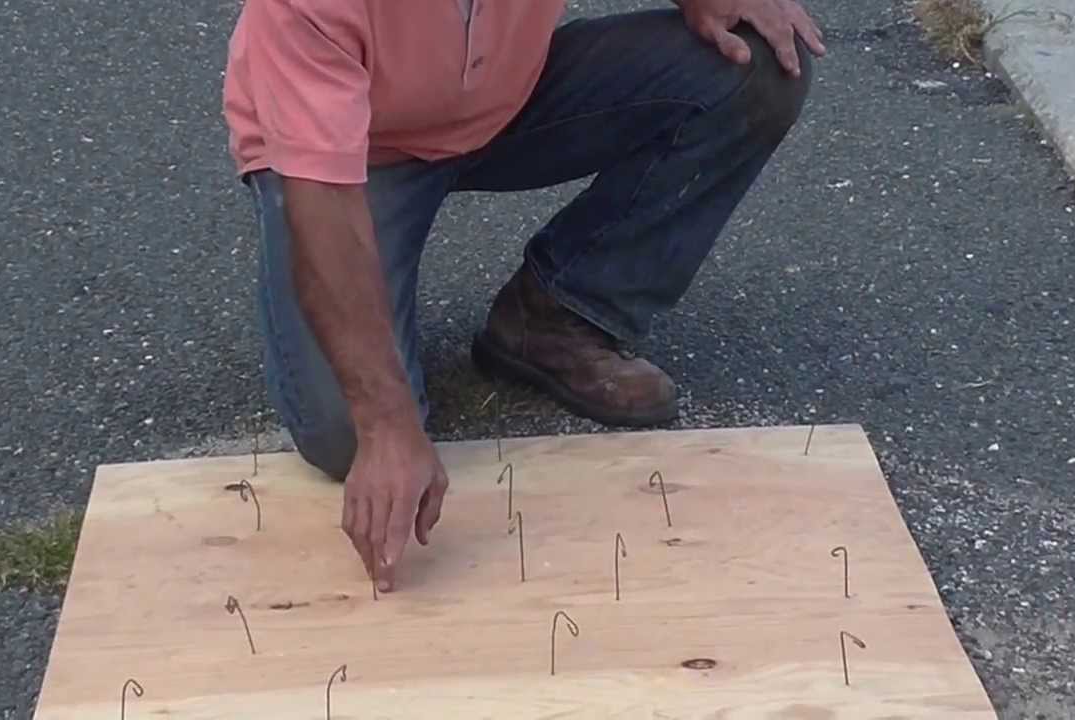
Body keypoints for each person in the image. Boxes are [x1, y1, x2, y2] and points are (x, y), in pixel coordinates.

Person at [221, 0, 824, 594]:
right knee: (347, 434)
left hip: (502, 98)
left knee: (753, 65)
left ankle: (556, 316)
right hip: (359, 153)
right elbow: (324, 205)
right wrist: (385, 422)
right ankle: (373, 382)